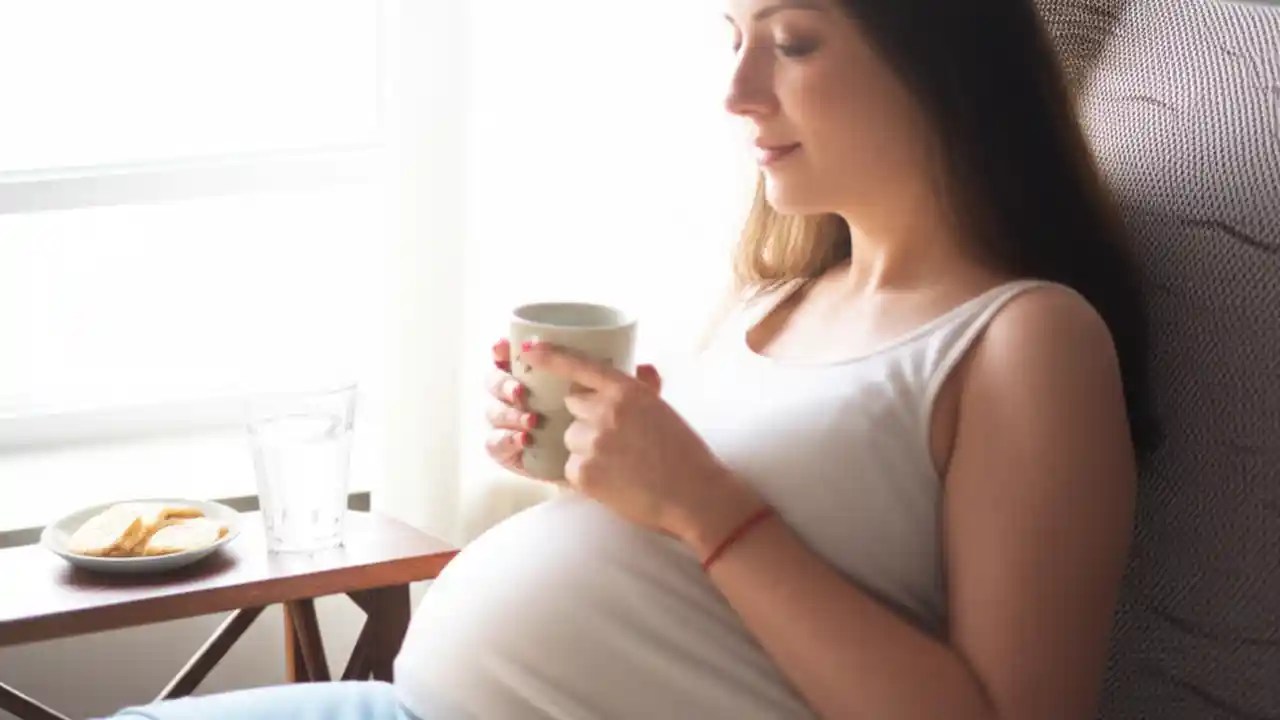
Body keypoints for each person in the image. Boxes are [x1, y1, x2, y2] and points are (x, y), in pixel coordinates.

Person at [106, 0, 1157, 718]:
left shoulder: (1026, 339)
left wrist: (701, 503)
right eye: (732, 36)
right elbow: (697, 572)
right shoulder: (777, 297)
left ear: (943, 62)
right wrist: (597, 467)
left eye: (791, 42)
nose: (736, 90)